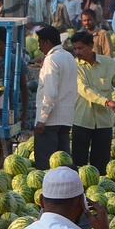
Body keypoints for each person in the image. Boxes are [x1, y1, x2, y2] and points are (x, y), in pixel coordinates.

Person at [71, 29, 115, 173]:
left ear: (91, 46)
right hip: (82, 120)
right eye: (75, 48)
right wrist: (107, 102)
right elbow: (84, 90)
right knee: (79, 164)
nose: (77, 52)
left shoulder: (108, 63)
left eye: (80, 48)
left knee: (101, 165)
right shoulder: (75, 66)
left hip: (103, 122)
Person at [33, 25, 78, 166]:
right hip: (65, 119)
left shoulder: (51, 59)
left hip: (50, 121)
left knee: (45, 164)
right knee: (64, 163)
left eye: (40, 43)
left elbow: (51, 93)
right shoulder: (69, 57)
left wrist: (42, 118)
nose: (39, 47)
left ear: (47, 42)